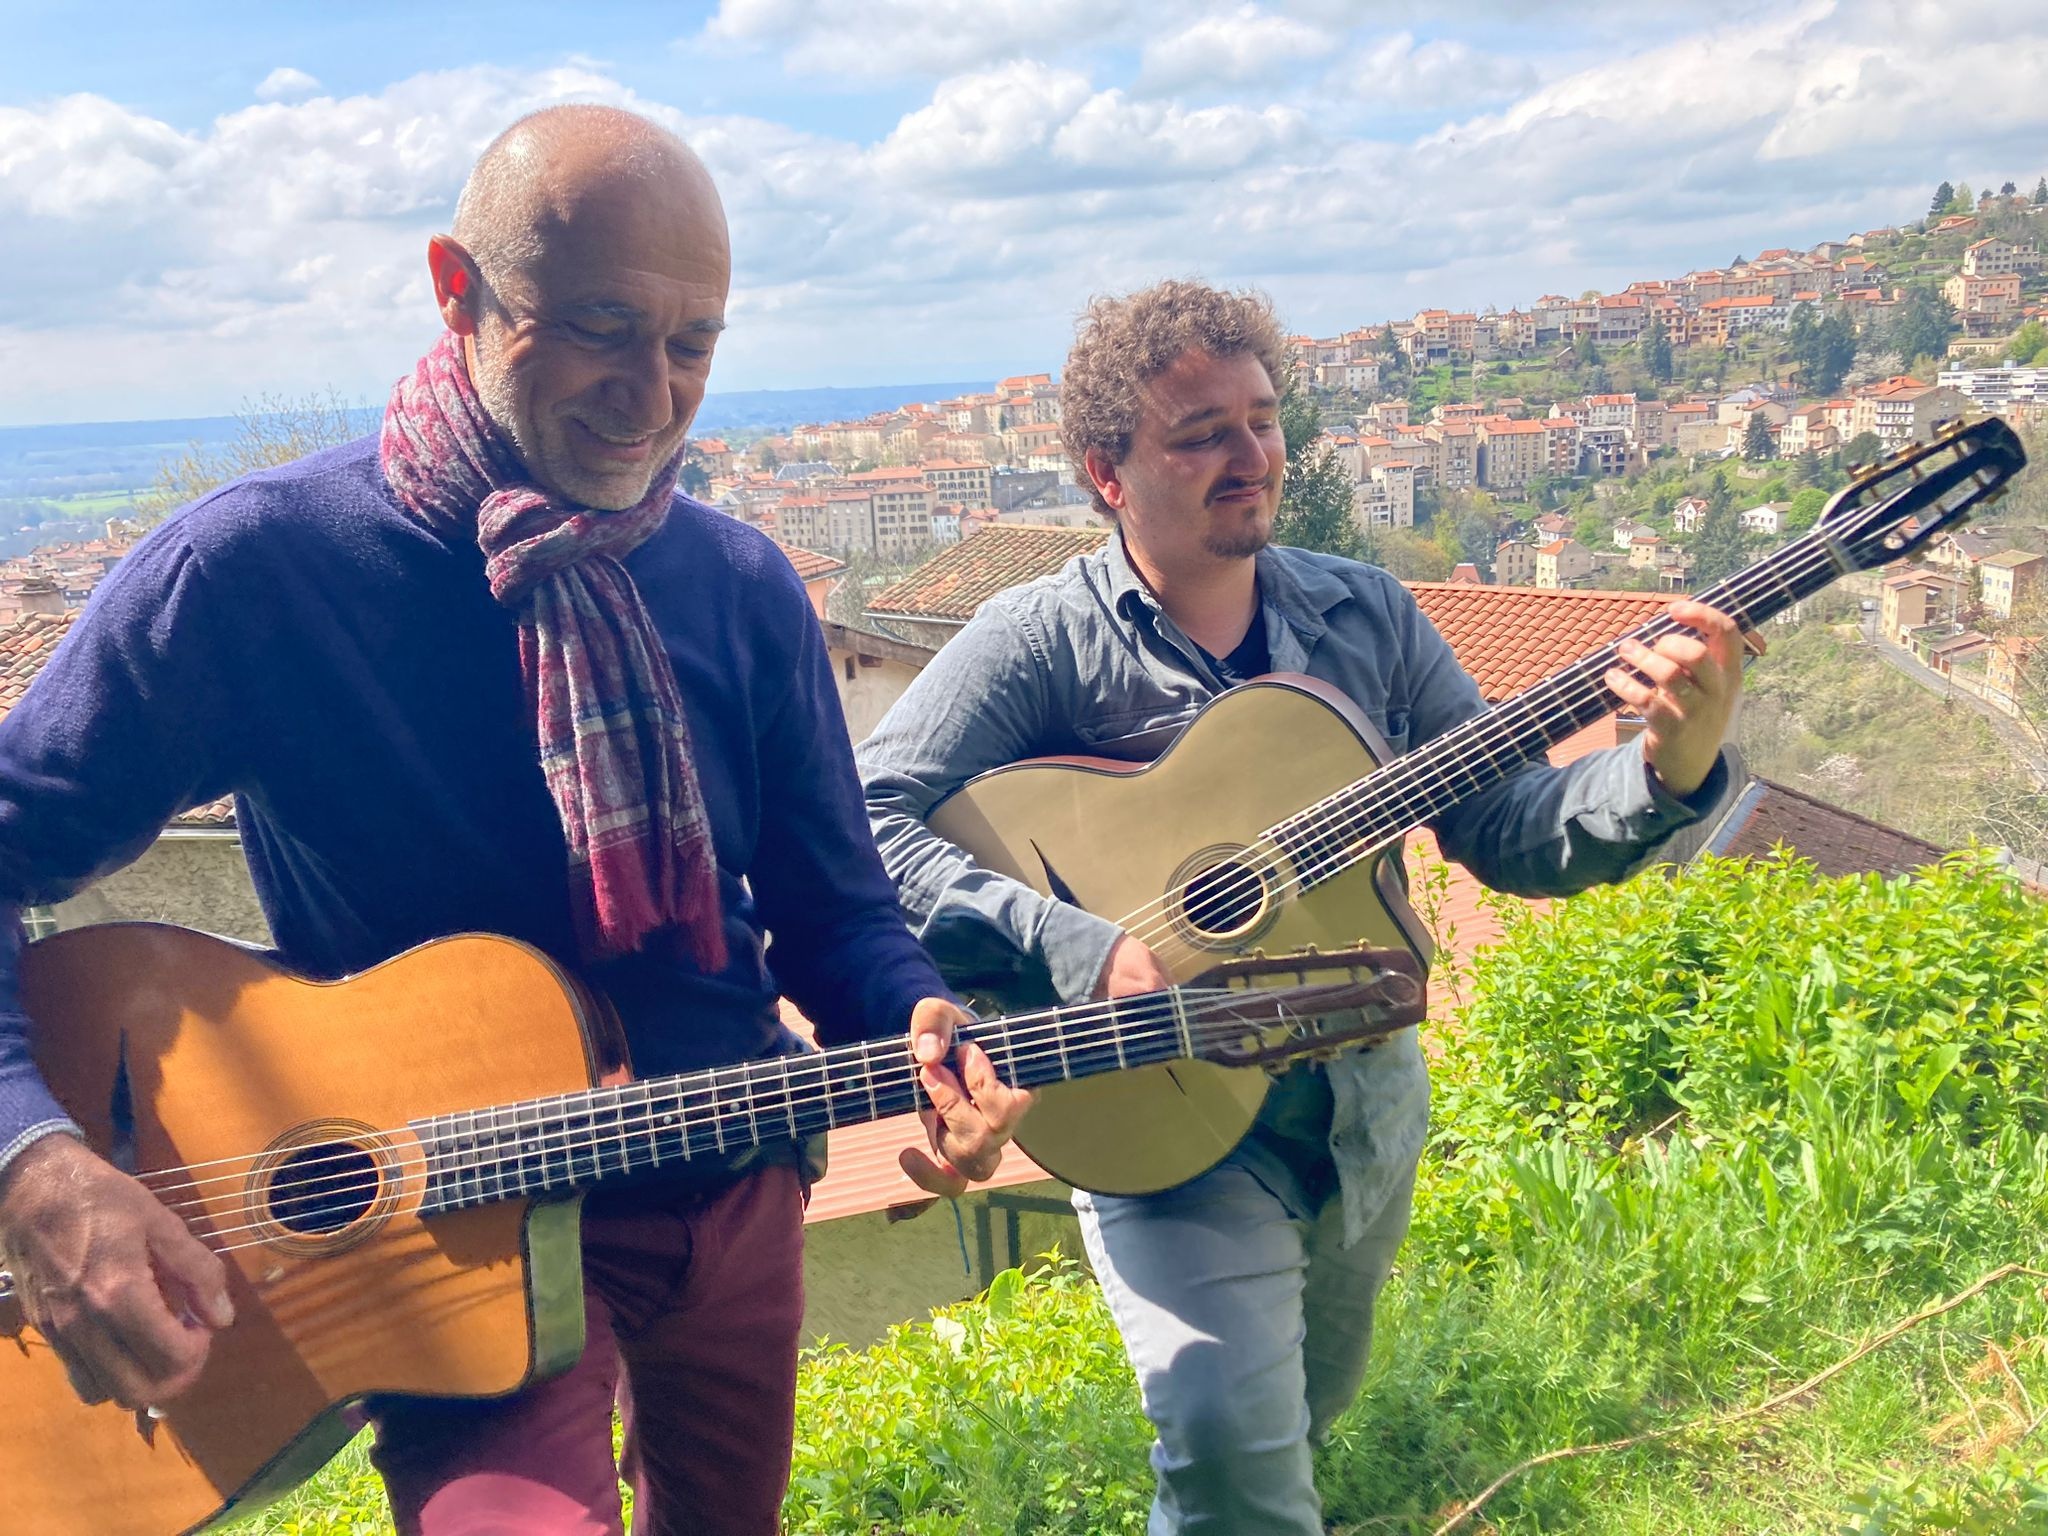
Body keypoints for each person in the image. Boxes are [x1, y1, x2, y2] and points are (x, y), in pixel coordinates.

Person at [0, 105, 1026, 1536]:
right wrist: (32, 1155)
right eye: (605, 327)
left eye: (694, 345)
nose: (652, 393)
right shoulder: (253, 574)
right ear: (456, 291)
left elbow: (837, 914)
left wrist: (917, 1025)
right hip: (446, 1242)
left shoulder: (738, 587)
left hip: (728, 1196)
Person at [856, 280, 1743, 1533]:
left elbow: (1503, 826)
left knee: (1296, 1426)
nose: (1250, 456)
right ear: (1106, 473)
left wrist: (1669, 768)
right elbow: (865, 826)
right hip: (1156, 1117)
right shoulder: (1035, 644)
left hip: (1361, 1112)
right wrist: (1071, 937)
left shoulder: (1363, 617)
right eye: (1201, 432)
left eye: (1263, 420)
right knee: (1227, 1454)